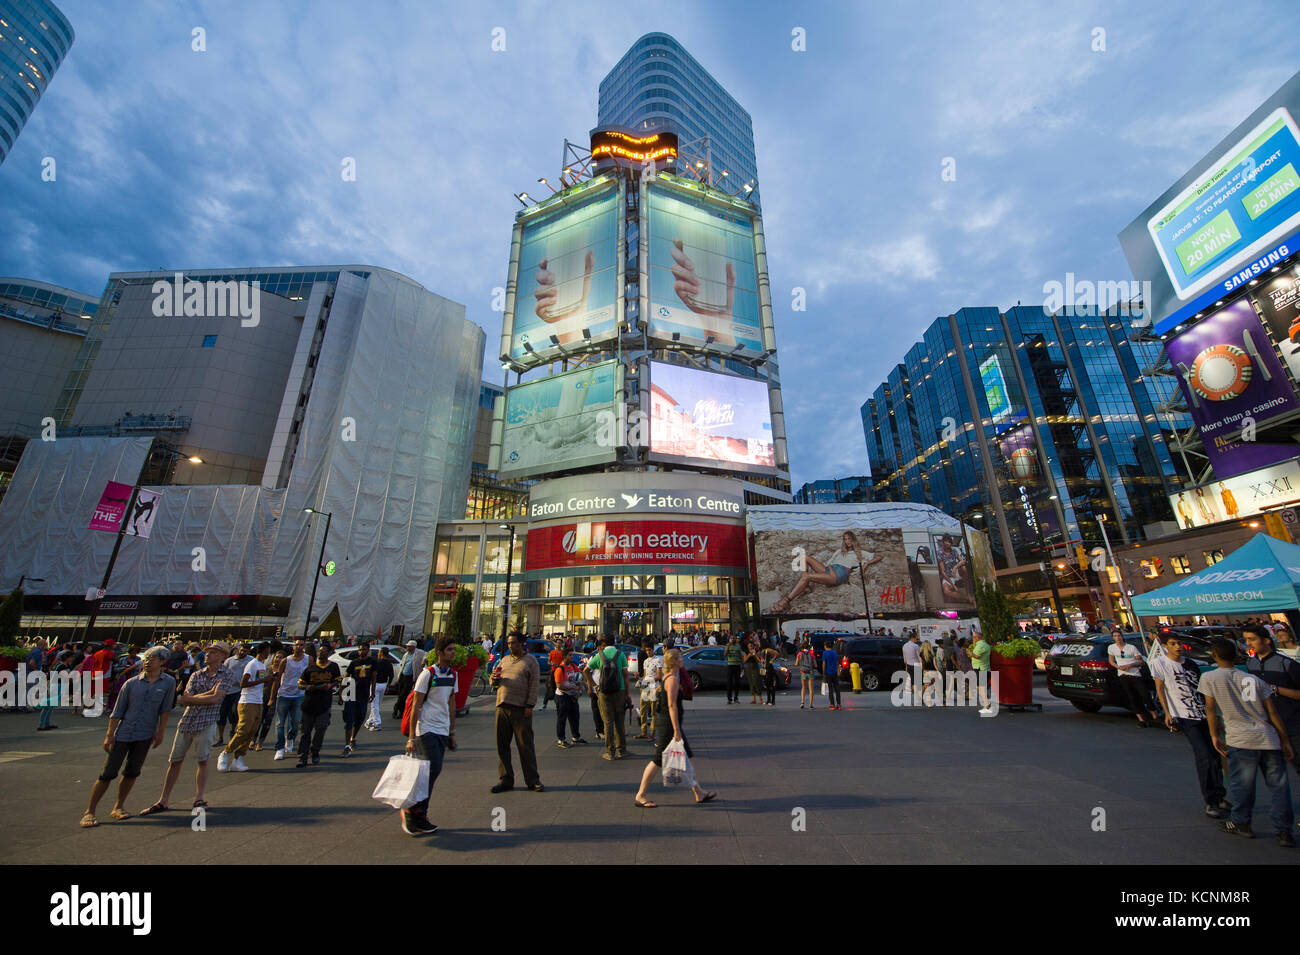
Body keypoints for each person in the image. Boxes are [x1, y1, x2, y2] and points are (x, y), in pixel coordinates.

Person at [1200, 637, 1295, 845]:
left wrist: (1214, 735)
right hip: (1268, 738)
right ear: (1235, 656)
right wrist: (1284, 740)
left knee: (1242, 785)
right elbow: (1272, 713)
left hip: (1240, 739)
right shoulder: (1253, 679)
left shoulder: (1210, 678)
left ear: (1214, 655)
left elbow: (1210, 709)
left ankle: (1241, 822)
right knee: (1279, 786)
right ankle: (1284, 831)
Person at [80, 647, 175, 828]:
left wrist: (160, 732)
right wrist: (109, 735)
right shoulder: (131, 684)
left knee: (132, 772)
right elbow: (117, 712)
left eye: (153, 658)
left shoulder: (168, 683)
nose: (148, 662)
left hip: (145, 734)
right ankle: (89, 811)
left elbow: (165, 710)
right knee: (108, 773)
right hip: (123, 734)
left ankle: (119, 806)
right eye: (146, 658)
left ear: (162, 662)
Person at [140, 640, 233, 815]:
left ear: (222, 656)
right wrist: (206, 695)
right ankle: (163, 799)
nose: (208, 654)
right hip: (187, 721)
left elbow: (215, 699)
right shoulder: (197, 674)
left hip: (207, 721)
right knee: (174, 760)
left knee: (203, 760)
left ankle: (199, 798)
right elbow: (184, 699)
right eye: (208, 651)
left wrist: (197, 698)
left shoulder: (226, 674)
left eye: (213, 652)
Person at [1150, 633, 1227, 819]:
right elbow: (1160, 688)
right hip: (1184, 715)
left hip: (1203, 714)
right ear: (1165, 646)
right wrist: (1167, 713)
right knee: (1204, 756)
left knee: (1215, 755)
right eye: (1173, 644)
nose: (1177, 647)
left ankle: (1220, 794)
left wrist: (1214, 715)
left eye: (1179, 643)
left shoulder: (1190, 664)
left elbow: (1202, 690)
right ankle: (1211, 801)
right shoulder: (1160, 663)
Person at [633, 649, 717, 808]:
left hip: (670, 724)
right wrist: (676, 729)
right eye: (679, 657)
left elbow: (662, 693)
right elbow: (671, 706)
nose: (682, 659)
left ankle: (698, 792)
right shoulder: (671, 679)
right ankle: (641, 795)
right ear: (674, 661)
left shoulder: (670, 677)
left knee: (688, 757)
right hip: (668, 725)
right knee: (658, 760)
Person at [401, 636, 458, 836]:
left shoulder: (453, 675)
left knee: (431, 772)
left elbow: (451, 702)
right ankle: (412, 810)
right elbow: (416, 704)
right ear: (440, 652)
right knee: (432, 768)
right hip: (425, 728)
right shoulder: (428, 674)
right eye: (449, 649)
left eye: (454, 649)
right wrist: (411, 737)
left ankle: (419, 814)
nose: (453, 652)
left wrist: (452, 730)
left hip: (442, 728)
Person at [770, 530, 884, 614]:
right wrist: (822, 569)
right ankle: (806, 586)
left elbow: (879, 556)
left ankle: (786, 601)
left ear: (853, 540)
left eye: (849, 539)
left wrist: (866, 564)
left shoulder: (859, 552)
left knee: (807, 577)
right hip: (829, 569)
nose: (847, 541)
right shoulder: (839, 551)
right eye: (845, 539)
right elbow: (827, 564)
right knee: (804, 556)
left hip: (839, 574)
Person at [1242, 624, 1300, 774]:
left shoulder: (1286, 663)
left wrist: (1274, 688)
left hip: (1292, 722)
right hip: (1268, 725)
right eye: (1246, 640)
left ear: (1266, 641)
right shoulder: (1251, 663)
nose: (1249, 643)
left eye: (1252, 639)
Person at [491, 631, 543, 793]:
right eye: (509, 643)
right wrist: (494, 679)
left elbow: (534, 685)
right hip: (502, 706)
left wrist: (530, 705)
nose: (511, 646)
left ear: (522, 643)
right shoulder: (504, 660)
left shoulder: (531, 661)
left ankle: (532, 780)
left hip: (520, 708)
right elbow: (494, 682)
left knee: (525, 746)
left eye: (513, 643)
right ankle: (506, 779)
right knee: (502, 746)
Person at [218, 643, 269, 772]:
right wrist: (263, 681)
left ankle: (238, 758)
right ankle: (226, 752)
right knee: (243, 730)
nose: (269, 654)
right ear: (264, 651)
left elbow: (259, 682)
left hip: (258, 701)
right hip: (247, 701)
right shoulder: (252, 664)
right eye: (268, 651)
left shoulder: (261, 665)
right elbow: (243, 683)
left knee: (252, 731)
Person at [586, 635, 631, 760]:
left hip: (604, 691)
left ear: (604, 643)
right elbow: (625, 675)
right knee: (619, 721)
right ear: (614, 642)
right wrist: (627, 693)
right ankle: (621, 750)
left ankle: (610, 752)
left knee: (608, 721)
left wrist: (594, 686)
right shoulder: (620, 654)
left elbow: (586, 670)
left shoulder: (599, 655)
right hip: (620, 690)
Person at [296, 644, 341, 768]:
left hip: (324, 705)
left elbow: (338, 680)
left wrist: (330, 686)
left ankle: (315, 751)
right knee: (305, 732)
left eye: (323, 651)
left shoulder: (333, 667)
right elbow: (300, 684)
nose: (320, 653)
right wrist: (307, 687)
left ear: (328, 653)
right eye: (319, 651)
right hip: (309, 704)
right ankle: (302, 757)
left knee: (320, 730)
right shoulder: (310, 668)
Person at [1108, 630, 1158, 728]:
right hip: (1122, 675)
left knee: (1145, 695)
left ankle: (1154, 715)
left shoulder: (1131, 648)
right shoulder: (1111, 648)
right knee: (1132, 697)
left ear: (1122, 636)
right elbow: (1111, 660)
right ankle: (1141, 719)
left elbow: (1141, 661)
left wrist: (1130, 665)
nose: (1117, 638)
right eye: (1115, 636)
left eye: (1119, 635)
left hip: (1135, 674)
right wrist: (1118, 667)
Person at [273, 639, 309, 760]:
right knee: (280, 723)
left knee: (295, 721)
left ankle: (290, 738)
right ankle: (279, 748)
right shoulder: (286, 660)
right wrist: (273, 697)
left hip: (299, 694)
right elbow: (278, 678)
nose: (299, 647)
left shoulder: (308, 659)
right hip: (284, 694)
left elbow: (311, 676)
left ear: (304, 647)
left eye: (301, 645)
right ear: (293, 647)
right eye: (297, 645)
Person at [341, 642, 376, 757]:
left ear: (368, 650)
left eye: (364, 649)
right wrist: (342, 693)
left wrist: (373, 692)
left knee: (360, 718)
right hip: (351, 693)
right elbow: (346, 677)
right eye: (360, 649)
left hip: (364, 693)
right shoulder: (354, 663)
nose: (362, 651)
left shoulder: (372, 662)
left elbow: (374, 677)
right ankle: (347, 746)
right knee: (349, 719)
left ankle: (353, 738)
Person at [553, 649, 587, 747]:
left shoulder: (572, 666)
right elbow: (560, 686)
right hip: (562, 696)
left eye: (572, 655)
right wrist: (573, 687)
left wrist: (581, 687)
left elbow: (582, 674)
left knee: (575, 717)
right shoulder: (560, 669)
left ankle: (576, 737)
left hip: (572, 696)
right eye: (570, 655)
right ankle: (561, 739)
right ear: (564, 657)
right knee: (562, 718)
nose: (572, 657)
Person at [215, 643, 247, 745]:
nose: (243, 652)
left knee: (234, 713)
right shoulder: (230, 660)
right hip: (226, 690)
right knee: (222, 714)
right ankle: (220, 737)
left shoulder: (250, 661)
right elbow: (222, 672)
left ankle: (233, 729)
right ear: (238, 650)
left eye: (245, 651)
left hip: (238, 691)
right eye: (241, 650)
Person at [255, 646, 285, 750]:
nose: (278, 659)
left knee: (267, 721)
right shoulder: (265, 667)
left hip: (275, 698)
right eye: (277, 657)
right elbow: (259, 680)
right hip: (262, 696)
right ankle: (252, 740)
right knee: (258, 719)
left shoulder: (284, 672)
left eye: (281, 657)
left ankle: (260, 742)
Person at [636, 641, 660, 739]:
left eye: (650, 650)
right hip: (645, 687)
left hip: (654, 687)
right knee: (643, 710)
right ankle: (643, 732)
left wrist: (649, 680)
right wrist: (640, 678)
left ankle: (652, 733)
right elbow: (645, 675)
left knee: (653, 711)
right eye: (646, 650)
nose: (648, 652)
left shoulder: (657, 660)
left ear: (653, 650)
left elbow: (659, 675)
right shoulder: (645, 661)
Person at [367, 647, 394, 731]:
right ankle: (370, 720)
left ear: (381, 653)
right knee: (377, 704)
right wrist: (388, 685)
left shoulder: (377, 662)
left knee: (374, 705)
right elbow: (391, 675)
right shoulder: (389, 663)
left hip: (376, 684)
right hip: (384, 684)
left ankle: (377, 723)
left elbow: (372, 674)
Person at [969, 630, 992, 713]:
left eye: (974, 637)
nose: (973, 638)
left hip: (981, 668)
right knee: (981, 687)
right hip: (982, 668)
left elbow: (977, 656)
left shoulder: (981, 645)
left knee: (980, 687)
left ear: (977, 637)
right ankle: (987, 701)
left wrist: (970, 653)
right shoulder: (982, 644)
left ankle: (987, 704)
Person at [902, 634, 923, 705]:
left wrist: (906, 667)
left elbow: (904, 658)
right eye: (916, 639)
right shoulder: (916, 646)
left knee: (913, 682)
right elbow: (919, 656)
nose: (917, 640)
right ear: (913, 638)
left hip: (909, 665)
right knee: (918, 683)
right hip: (916, 664)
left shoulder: (904, 646)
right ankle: (918, 698)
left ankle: (917, 698)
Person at [795, 640, 816, 709]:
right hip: (810, 672)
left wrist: (801, 665)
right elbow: (815, 665)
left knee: (803, 687)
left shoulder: (799, 654)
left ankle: (802, 702)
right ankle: (811, 705)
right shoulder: (811, 654)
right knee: (811, 689)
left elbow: (796, 664)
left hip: (803, 672)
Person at [822, 640, 842, 710]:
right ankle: (839, 704)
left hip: (828, 673)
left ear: (825, 646)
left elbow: (824, 663)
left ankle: (832, 704)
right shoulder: (834, 652)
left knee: (830, 689)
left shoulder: (825, 653)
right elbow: (837, 662)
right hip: (835, 672)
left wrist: (823, 672)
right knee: (837, 688)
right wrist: (838, 671)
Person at [725, 635, 743, 704]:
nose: (733, 640)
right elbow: (725, 655)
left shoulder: (738, 646)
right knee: (729, 682)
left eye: (734, 638)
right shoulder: (728, 646)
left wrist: (742, 665)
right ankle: (729, 698)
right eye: (732, 639)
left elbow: (740, 656)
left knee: (737, 682)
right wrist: (728, 647)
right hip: (730, 665)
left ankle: (736, 697)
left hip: (737, 665)